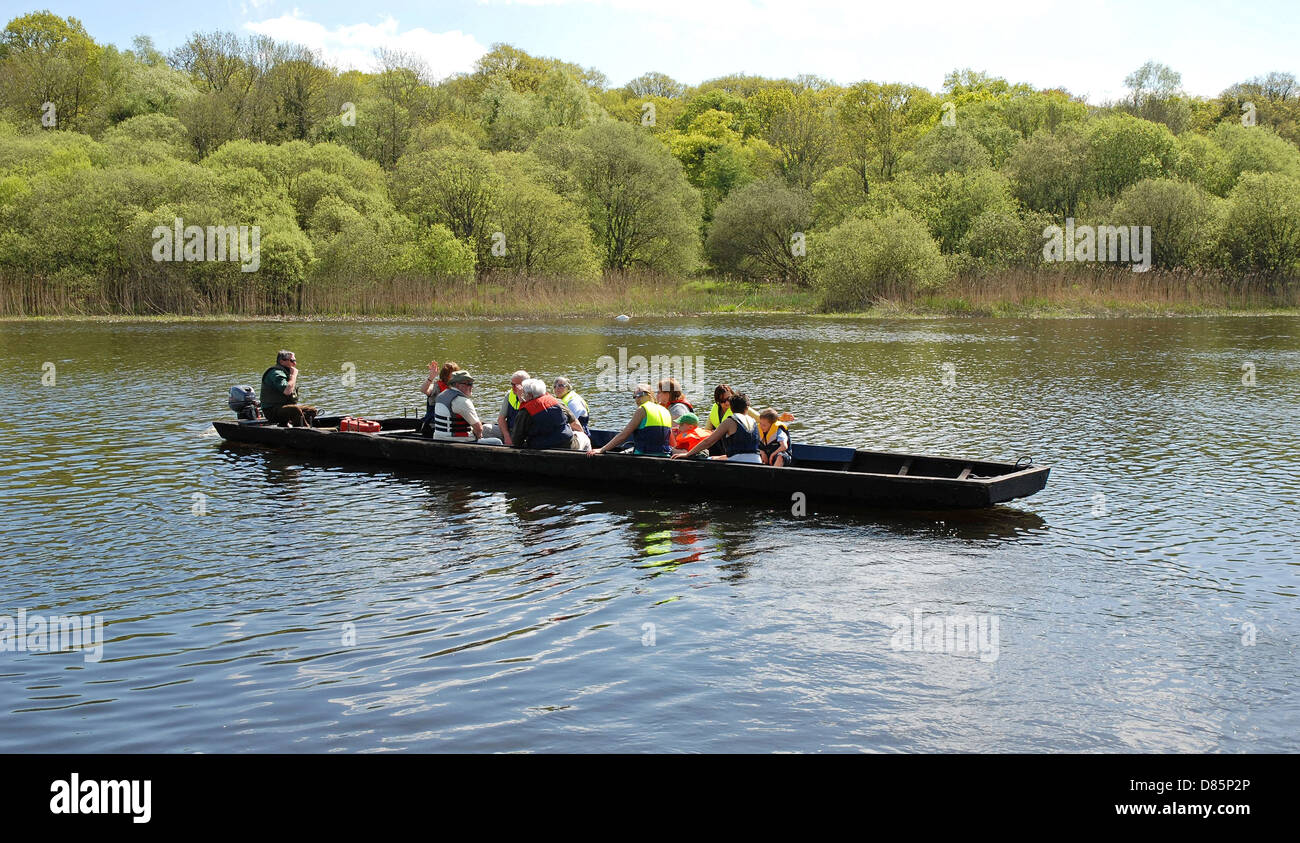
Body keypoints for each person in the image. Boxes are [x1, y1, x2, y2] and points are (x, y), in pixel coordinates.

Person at [673, 393, 762, 463]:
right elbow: (745, 452)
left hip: (738, 462)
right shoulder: (753, 421)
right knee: (714, 457)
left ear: (731, 407)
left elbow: (708, 441)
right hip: (757, 460)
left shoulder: (729, 421)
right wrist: (719, 457)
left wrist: (687, 454)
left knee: (704, 458)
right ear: (747, 407)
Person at [590, 383, 673, 456]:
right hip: (665, 456)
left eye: (640, 395)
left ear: (650, 395)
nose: (637, 399)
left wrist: (602, 449)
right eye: (634, 396)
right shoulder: (665, 410)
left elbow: (624, 435)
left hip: (644, 456)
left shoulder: (642, 409)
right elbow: (671, 440)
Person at [512, 379, 591, 452]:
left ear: (530, 395)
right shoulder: (558, 402)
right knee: (584, 437)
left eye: (524, 393)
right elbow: (575, 424)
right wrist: (580, 433)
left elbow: (516, 440)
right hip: (567, 445)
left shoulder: (525, 411)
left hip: (538, 448)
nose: (523, 396)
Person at [431, 371, 503, 445]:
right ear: (457, 385)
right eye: (468, 384)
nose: (471, 386)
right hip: (460, 442)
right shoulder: (462, 401)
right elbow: (479, 428)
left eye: (471, 384)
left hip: (438, 439)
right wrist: (479, 437)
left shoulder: (441, 396)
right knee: (497, 442)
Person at [260, 350, 317, 427]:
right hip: (271, 411)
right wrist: (293, 375)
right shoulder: (276, 373)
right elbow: (287, 391)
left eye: (295, 360)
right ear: (282, 361)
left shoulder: (285, 372)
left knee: (311, 411)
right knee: (294, 410)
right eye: (292, 360)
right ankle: (305, 429)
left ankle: (287, 425)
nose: (295, 363)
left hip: (283, 408)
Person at [704, 383, 794, 430]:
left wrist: (780, 418)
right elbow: (707, 430)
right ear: (717, 402)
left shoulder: (740, 407)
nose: (727, 403)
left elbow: (761, 419)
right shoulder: (714, 409)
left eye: (729, 398)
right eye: (722, 401)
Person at [419, 360, 460, 435]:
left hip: (451, 425)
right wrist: (431, 377)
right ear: (445, 375)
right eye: (452, 374)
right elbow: (424, 390)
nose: (455, 376)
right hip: (434, 426)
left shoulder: (458, 388)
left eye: (456, 374)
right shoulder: (437, 386)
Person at [493, 370, 529, 445]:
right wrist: (506, 436)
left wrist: (520, 397)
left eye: (516, 385)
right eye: (512, 384)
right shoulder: (509, 395)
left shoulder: (532, 395)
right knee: (486, 429)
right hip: (510, 430)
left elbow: (528, 415)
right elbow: (501, 419)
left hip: (525, 434)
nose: (513, 387)